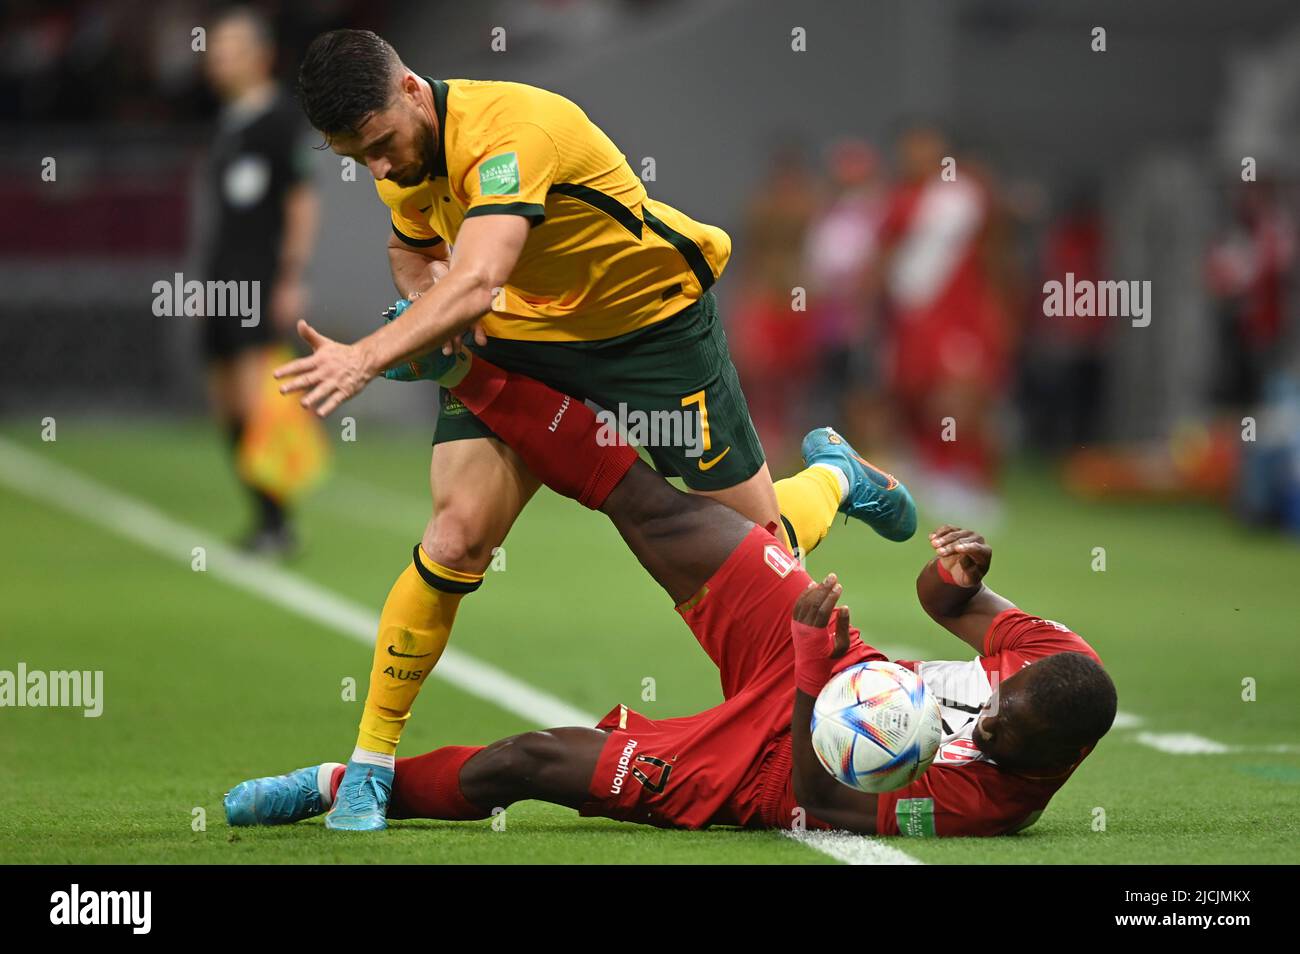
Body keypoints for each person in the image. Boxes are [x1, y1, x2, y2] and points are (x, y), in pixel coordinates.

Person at [269, 29, 915, 829]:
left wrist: (368, 356)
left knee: (763, 554)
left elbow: (477, 277)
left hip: (651, 333)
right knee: (457, 535)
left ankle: (838, 478)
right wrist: (424, 289)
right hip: (523, 344)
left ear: (409, 89)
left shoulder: (508, 134)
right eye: (355, 157)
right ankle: (370, 762)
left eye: (379, 146)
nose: (379, 168)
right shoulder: (399, 155)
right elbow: (421, 251)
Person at [228, 350, 1116, 837]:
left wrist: (810, 665)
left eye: (997, 735)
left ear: (1046, 761)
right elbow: (952, 611)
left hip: (763, 771)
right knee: (654, 508)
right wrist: (958, 579)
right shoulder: (1054, 660)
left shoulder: (992, 805)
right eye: (994, 708)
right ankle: (463, 370)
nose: (984, 724)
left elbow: (822, 802)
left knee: (529, 764)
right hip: (846, 667)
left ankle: (338, 782)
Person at [200, 7, 319, 554]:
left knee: (257, 399)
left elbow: (301, 200)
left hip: (258, 275)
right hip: (220, 275)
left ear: (260, 55)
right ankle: (262, 517)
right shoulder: (227, 122)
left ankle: (278, 522)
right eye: (215, 47)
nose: (217, 58)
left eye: (229, 47)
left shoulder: (279, 120)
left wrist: (292, 274)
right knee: (224, 399)